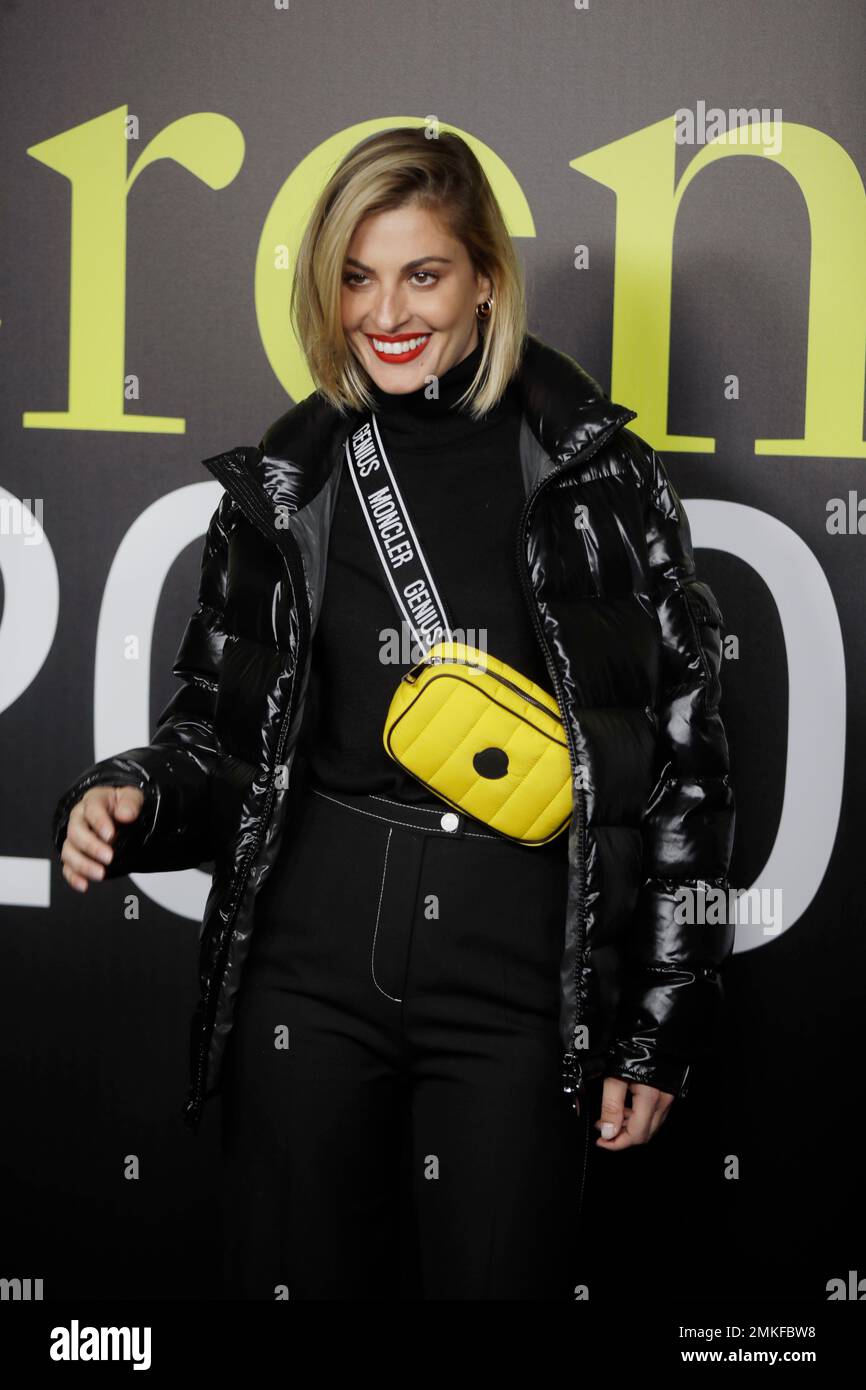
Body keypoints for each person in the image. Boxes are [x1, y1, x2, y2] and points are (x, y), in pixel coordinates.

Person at [52, 126, 735, 1301]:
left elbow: (683, 773)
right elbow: (219, 736)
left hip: (517, 963)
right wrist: (127, 794)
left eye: (422, 273)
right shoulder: (286, 478)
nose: (387, 313)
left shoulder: (603, 480)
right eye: (358, 277)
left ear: (483, 280)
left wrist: (652, 1032)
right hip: (310, 958)